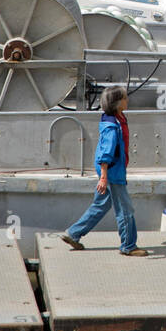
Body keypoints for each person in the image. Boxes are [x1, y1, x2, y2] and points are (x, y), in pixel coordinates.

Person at [59, 86, 146, 256]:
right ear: (117, 103)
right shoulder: (112, 126)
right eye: (125, 98)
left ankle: (73, 233)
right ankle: (128, 246)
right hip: (112, 172)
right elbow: (106, 152)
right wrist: (104, 177)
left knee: (101, 204)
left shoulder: (118, 118)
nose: (127, 100)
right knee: (125, 209)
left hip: (113, 170)